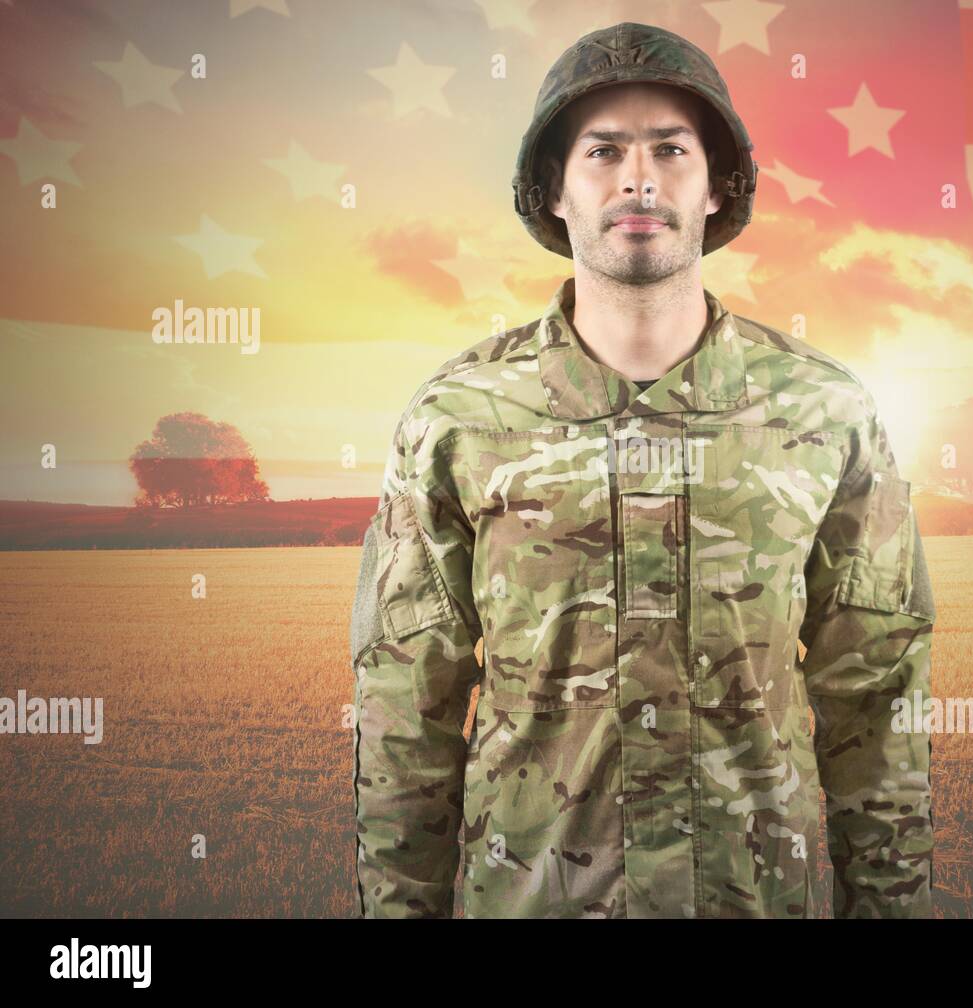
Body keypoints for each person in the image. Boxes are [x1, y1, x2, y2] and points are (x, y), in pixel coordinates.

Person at [349, 20, 937, 919]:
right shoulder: (457, 419)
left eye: (671, 148)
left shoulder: (826, 414)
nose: (638, 177)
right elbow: (406, 706)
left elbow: (877, 696)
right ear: (552, 189)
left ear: (714, 188)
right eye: (603, 151)